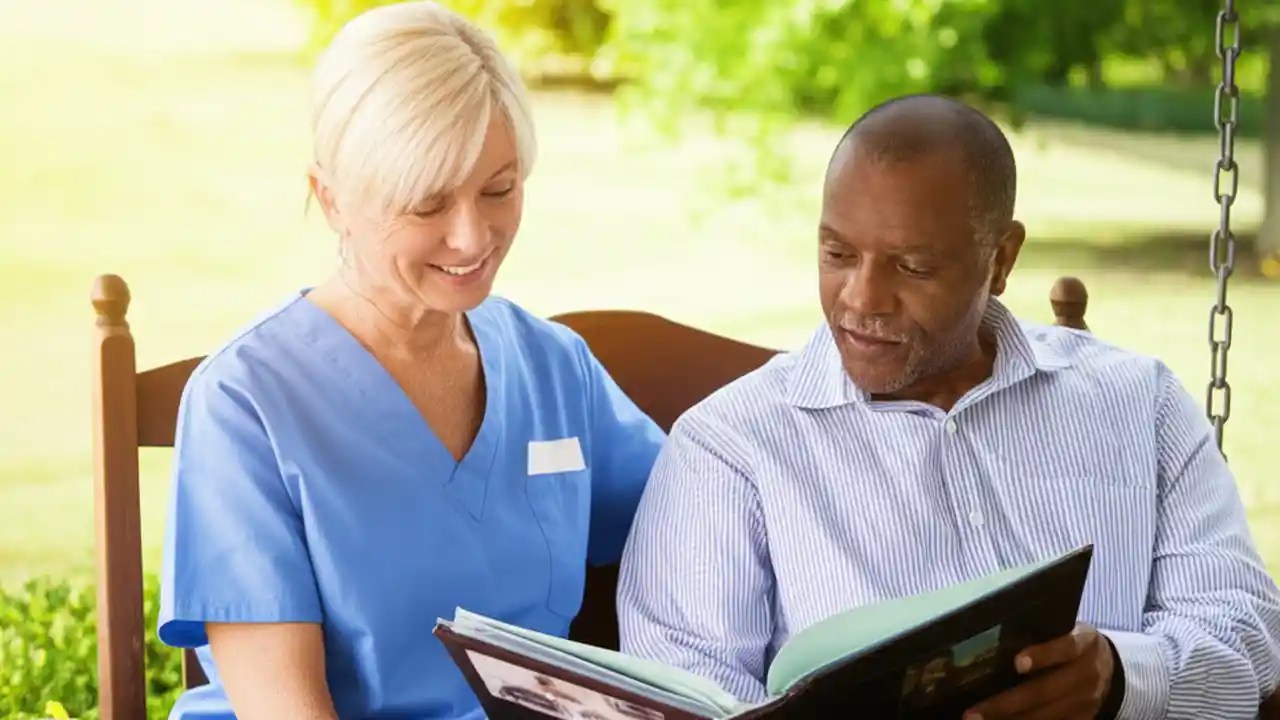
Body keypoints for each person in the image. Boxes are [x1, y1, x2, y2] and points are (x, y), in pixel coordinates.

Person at [616, 94, 1280, 719]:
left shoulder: (1139, 403)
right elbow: (681, 691)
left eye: (912, 266)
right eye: (837, 254)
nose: (862, 299)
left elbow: (1246, 634)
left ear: (1001, 259)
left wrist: (1119, 676)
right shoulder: (730, 445)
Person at [156, 3, 665, 719]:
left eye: (499, 189)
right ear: (330, 200)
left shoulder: (553, 369)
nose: (472, 237)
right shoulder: (245, 404)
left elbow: (707, 517)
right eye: (427, 205)